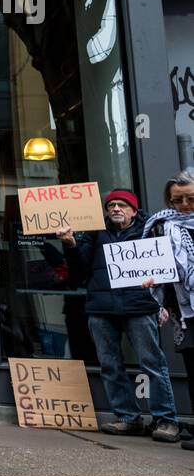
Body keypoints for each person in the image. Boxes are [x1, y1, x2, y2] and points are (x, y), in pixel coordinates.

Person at [57, 189, 178, 441]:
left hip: (139, 306)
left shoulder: (150, 231)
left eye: (122, 205)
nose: (115, 209)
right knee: (110, 365)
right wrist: (70, 244)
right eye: (111, 205)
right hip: (102, 308)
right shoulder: (95, 232)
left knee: (153, 364)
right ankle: (127, 418)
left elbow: (166, 272)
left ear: (134, 210)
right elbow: (78, 271)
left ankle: (166, 421)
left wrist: (164, 303)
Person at [142, 170, 194, 449]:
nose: (184, 205)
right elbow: (161, 265)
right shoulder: (161, 225)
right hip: (184, 314)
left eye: (190, 199)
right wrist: (154, 280)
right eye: (177, 200)